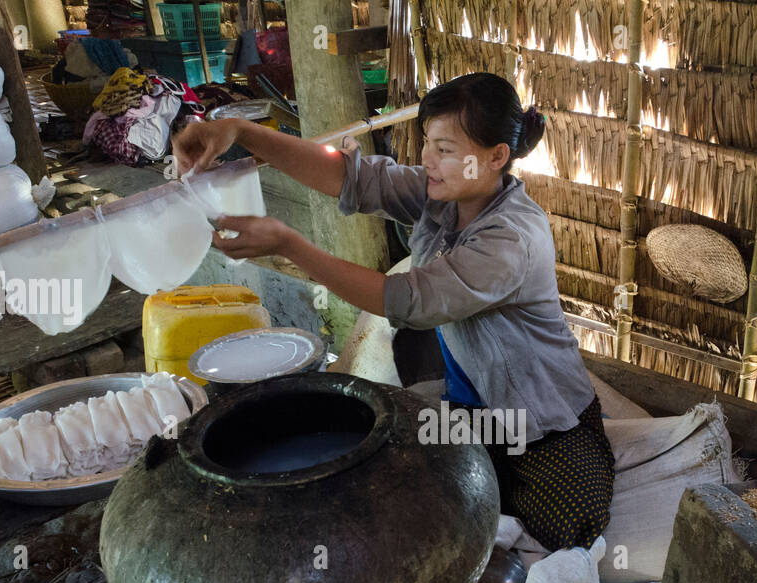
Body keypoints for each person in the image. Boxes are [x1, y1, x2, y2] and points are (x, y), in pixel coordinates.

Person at [172, 72, 614, 551]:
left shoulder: (512, 239)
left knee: (570, 521)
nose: (426, 159)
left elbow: (407, 300)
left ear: (496, 157)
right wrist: (240, 130)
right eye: (427, 143)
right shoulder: (443, 198)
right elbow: (351, 176)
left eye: (444, 148)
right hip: (471, 405)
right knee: (404, 486)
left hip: (539, 417)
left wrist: (289, 244)